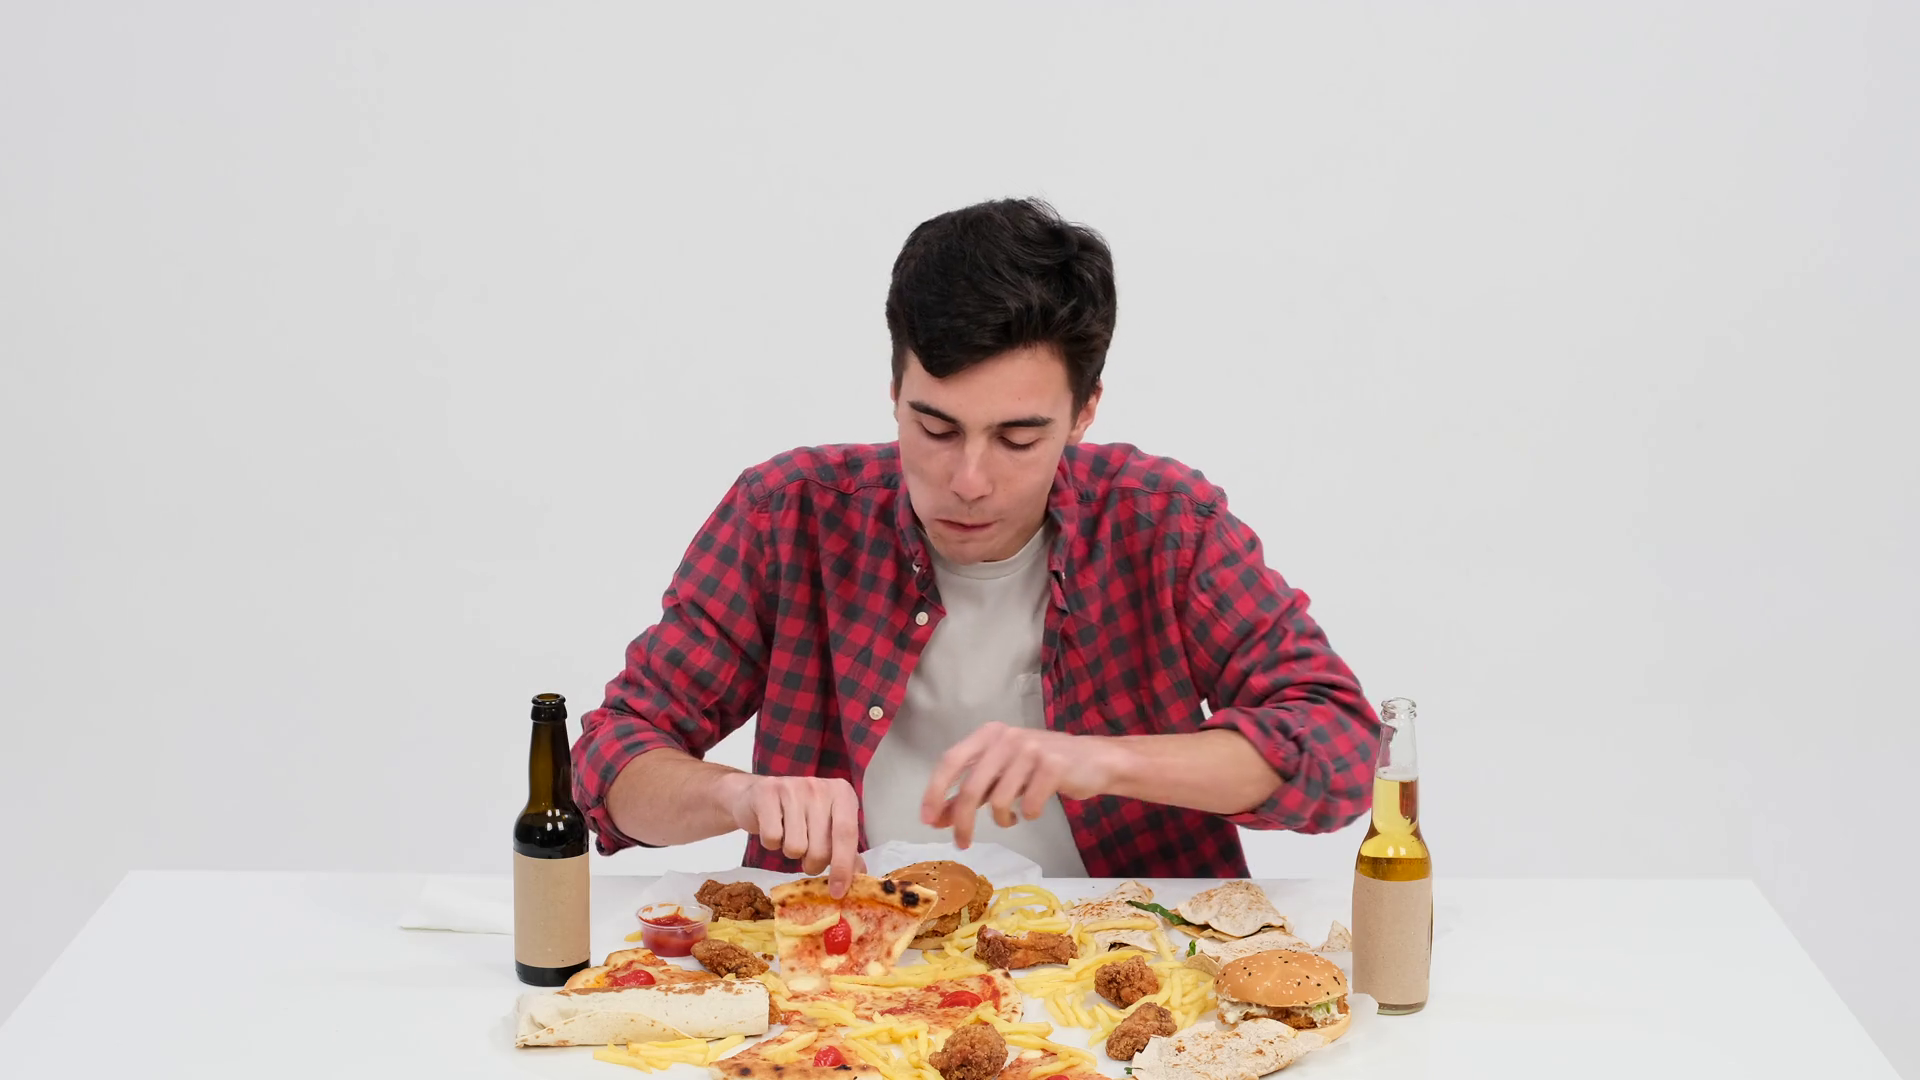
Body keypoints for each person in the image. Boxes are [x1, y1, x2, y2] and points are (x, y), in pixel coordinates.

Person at [572, 197, 1379, 895]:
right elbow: (610, 765)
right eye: (935, 426)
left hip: (1129, 973)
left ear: (1085, 411)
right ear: (894, 392)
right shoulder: (787, 514)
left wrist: (1107, 762)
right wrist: (735, 796)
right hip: (844, 976)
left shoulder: (1165, 524)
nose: (968, 479)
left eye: (1019, 438)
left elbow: (1341, 749)